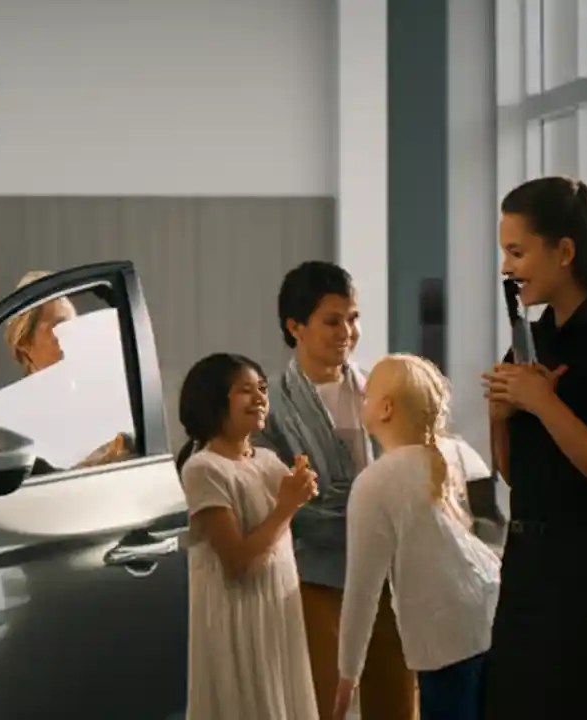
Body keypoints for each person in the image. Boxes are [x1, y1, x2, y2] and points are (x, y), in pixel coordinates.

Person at [481, 176, 587, 718]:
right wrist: (500, 417)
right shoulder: (534, 339)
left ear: (564, 251)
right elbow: (517, 475)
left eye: (517, 252)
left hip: (584, 575)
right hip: (525, 566)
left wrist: (543, 402)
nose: (507, 268)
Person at [257, 261, 418, 720]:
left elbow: (409, 476)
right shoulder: (270, 406)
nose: (347, 332)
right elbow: (284, 502)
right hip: (316, 576)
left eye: (353, 318)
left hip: (388, 572)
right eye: (332, 320)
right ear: (295, 326)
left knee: (397, 701)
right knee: (324, 703)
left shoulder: (382, 390)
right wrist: (369, 509)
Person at [334, 354, 501, 720]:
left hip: (442, 642)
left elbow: (362, 590)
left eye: (367, 394)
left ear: (386, 409)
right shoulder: (460, 453)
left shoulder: (374, 484)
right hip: (493, 617)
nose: (361, 399)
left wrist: (348, 673)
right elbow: (494, 526)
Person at [176, 352, 320, 720]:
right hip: (239, 616)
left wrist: (300, 491)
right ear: (214, 401)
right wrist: (287, 506)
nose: (259, 398)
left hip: (277, 609)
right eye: (245, 390)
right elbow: (237, 562)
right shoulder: (203, 469)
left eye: (263, 389)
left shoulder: (267, 460)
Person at [2, 270, 132, 467]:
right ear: (24, 342)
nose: (73, 334)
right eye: (60, 326)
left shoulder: (98, 401)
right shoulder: (15, 419)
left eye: (74, 325)